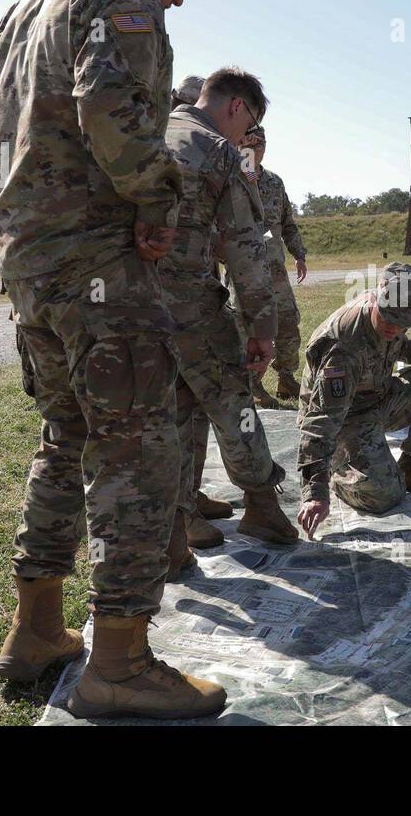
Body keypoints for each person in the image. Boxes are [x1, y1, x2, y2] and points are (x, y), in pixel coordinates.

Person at [0, 0, 226, 719]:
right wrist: (152, 201)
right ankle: (120, 662)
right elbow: (111, 106)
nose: (183, 0)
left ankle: (36, 632)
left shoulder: (25, 8)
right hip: (99, 265)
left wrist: (20, 204)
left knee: (66, 436)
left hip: (32, 263)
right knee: (139, 447)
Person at [160, 68, 300, 549]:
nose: (249, 137)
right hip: (191, 307)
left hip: (130, 307)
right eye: (250, 124)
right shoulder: (217, 151)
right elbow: (245, 249)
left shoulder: (139, 133)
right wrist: (263, 326)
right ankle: (261, 505)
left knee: (172, 413)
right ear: (236, 106)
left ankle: (177, 531)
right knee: (232, 404)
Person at [296, 264, 411, 538]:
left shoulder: (392, 316)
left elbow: (399, 342)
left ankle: (410, 467)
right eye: (389, 319)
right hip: (345, 418)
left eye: (403, 322)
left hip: (378, 397)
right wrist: (315, 493)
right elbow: (321, 420)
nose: (394, 327)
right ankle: (338, 472)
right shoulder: (343, 347)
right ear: (375, 299)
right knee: (383, 497)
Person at [229, 124, 308, 406]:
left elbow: (287, 223)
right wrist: (240, 155)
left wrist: (299, 254)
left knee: (288, 323)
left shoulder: (275, 182)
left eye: (261, 144)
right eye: (250, 144)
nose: (256, 149)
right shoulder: (233, 176)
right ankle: (253, 384)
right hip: (245, 271)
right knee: (249, 328)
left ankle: (286, 377)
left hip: (275, 270)